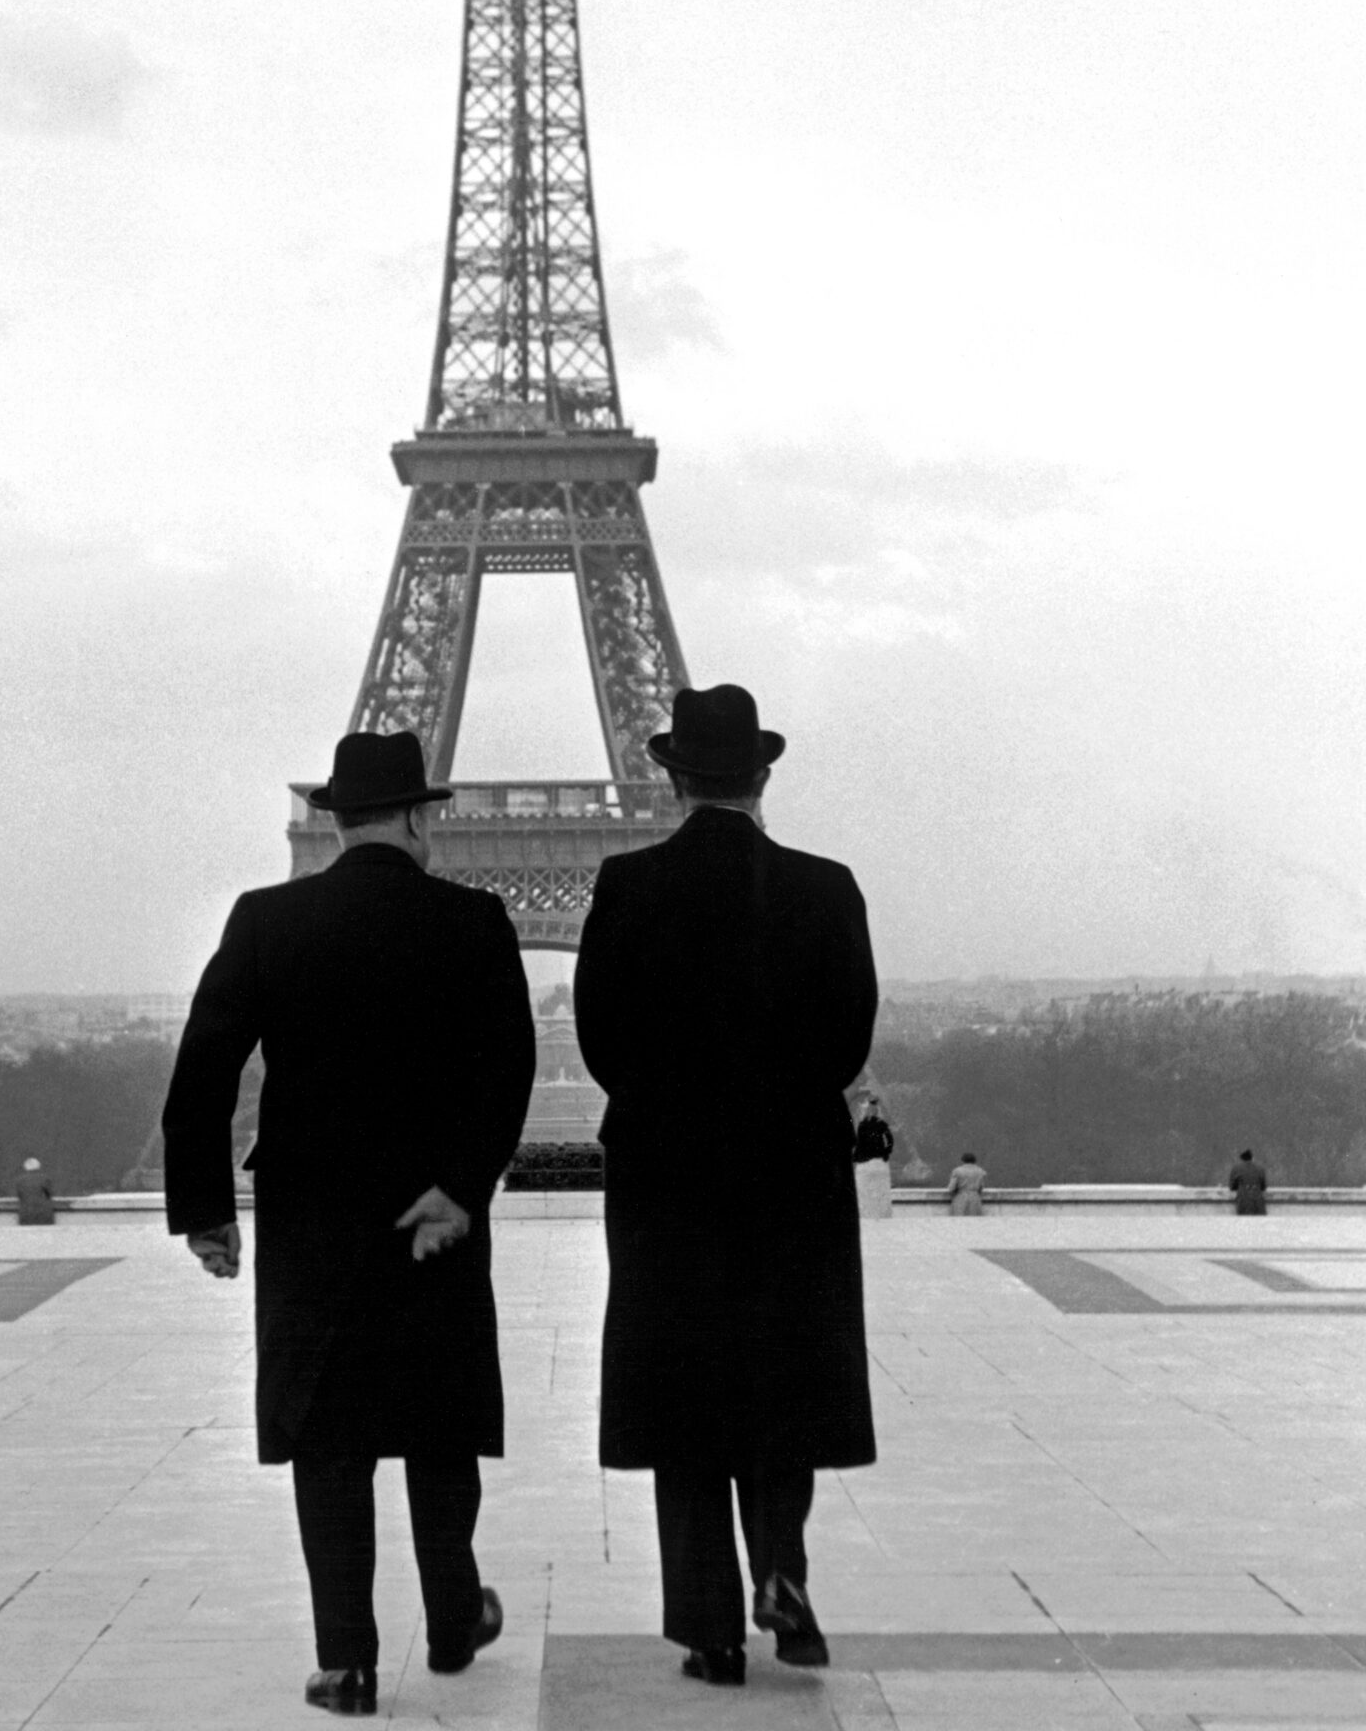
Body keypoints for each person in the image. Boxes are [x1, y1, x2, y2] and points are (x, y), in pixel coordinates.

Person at [162, 730, 536, 1719]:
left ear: (331, 818)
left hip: (313, 1226)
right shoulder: (474, 918)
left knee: (329, 1440)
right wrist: (460, 1187)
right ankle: (454, 1615)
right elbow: (508, 1071)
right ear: (420, 816)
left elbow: (201, 1076)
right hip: (431, 1222)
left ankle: (347, 1660)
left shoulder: (265, 920)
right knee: (437, 1426)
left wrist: (205, 1211)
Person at [574, 683, 877, 1688]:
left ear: (671, 774)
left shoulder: (626, 885)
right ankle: (782, 1571)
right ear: (762, 774)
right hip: (790, 1170)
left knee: (684, 1398)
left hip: (668, 1178)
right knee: (782, 1377)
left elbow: (603, 1040)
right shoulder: (827, 887)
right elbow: (845, 1039)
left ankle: (707, 1624)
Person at [852, 1094, 895, 1221]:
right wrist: (886, 1153)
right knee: (881, 1193)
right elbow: (890, 1140)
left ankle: (867, 1217)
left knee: (865, 1194)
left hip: (864, 1164)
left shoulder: (862, 1125)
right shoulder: (881, 1124)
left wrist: (855, 1158)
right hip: (880, 1163)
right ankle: (882, 1217)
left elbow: (858, 1144)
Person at [14, 1157, 54, 1225]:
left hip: (26, 1213)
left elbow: (19, 1195)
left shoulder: (20, 1180)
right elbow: (50, 1194)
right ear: (38, 1166)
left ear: (25, 1167)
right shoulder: (44, 1179)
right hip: (43, 1213)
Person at [1229, 1148, 1268, 1216]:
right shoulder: (1260, 1168)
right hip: (1257, 1201)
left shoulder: (1236, 1168)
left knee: (1243, 1223)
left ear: (1242, 1159)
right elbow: (1263, 1187)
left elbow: (1232, 1187)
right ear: (1252, 1158)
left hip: (1243, 1201)